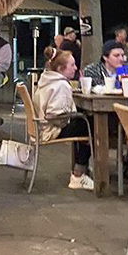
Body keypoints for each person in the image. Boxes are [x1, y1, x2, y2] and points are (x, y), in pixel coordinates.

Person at [33, 47, 94, 191]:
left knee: (81, 122)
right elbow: (56, 116)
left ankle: (81, 169)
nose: (76, 68)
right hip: (51, 129)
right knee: (91, 125)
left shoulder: (45, 80)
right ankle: (78, 175)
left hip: (41, 127)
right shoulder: (61, 85)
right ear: (61, 69)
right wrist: (71, 117)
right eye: (72, 65)